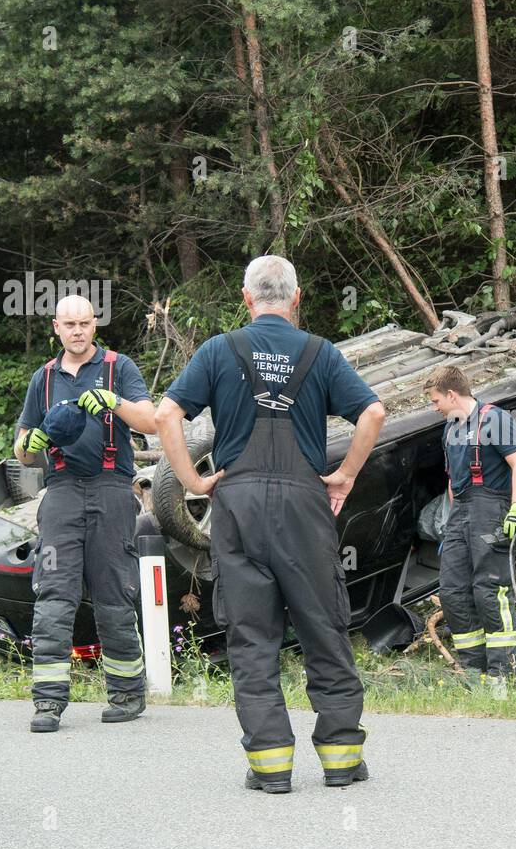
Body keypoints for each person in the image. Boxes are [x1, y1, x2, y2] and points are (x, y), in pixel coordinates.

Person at [155, 255, 386, 794]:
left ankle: (272, 765)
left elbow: (167, 415)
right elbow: (372, 413)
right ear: (297, 298)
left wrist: (192, 479)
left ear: (246, 298)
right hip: (306, 504)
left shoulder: (218, 350)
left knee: (253, 636)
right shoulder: (321, 353)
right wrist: (345, 474)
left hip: (237, 506)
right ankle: (341, 758)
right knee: (323, 627)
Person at [14, 295, 157, 733]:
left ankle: (127, 693)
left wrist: (112, 402)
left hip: (112, 489)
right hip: (60, 493)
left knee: (115, 591)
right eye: (69, 324)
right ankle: (48, 702)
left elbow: (151, 422)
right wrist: (32, 445)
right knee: (54, 593)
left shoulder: (120, 368)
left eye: (85, 323)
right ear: (55, 328)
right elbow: (21, 449)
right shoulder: (43, 378)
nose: (77, 331)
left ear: (95, 326)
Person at [426, 366, 516, 681]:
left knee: (489, 590)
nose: (435, 408)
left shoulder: (494, 419)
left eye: (435, 401)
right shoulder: (449, 430)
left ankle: (506, 673)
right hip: (460, 514)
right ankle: (476, 671)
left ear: (452, 395)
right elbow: (452, 482)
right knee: (453, 592)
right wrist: (450, 523)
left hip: (492, 510)